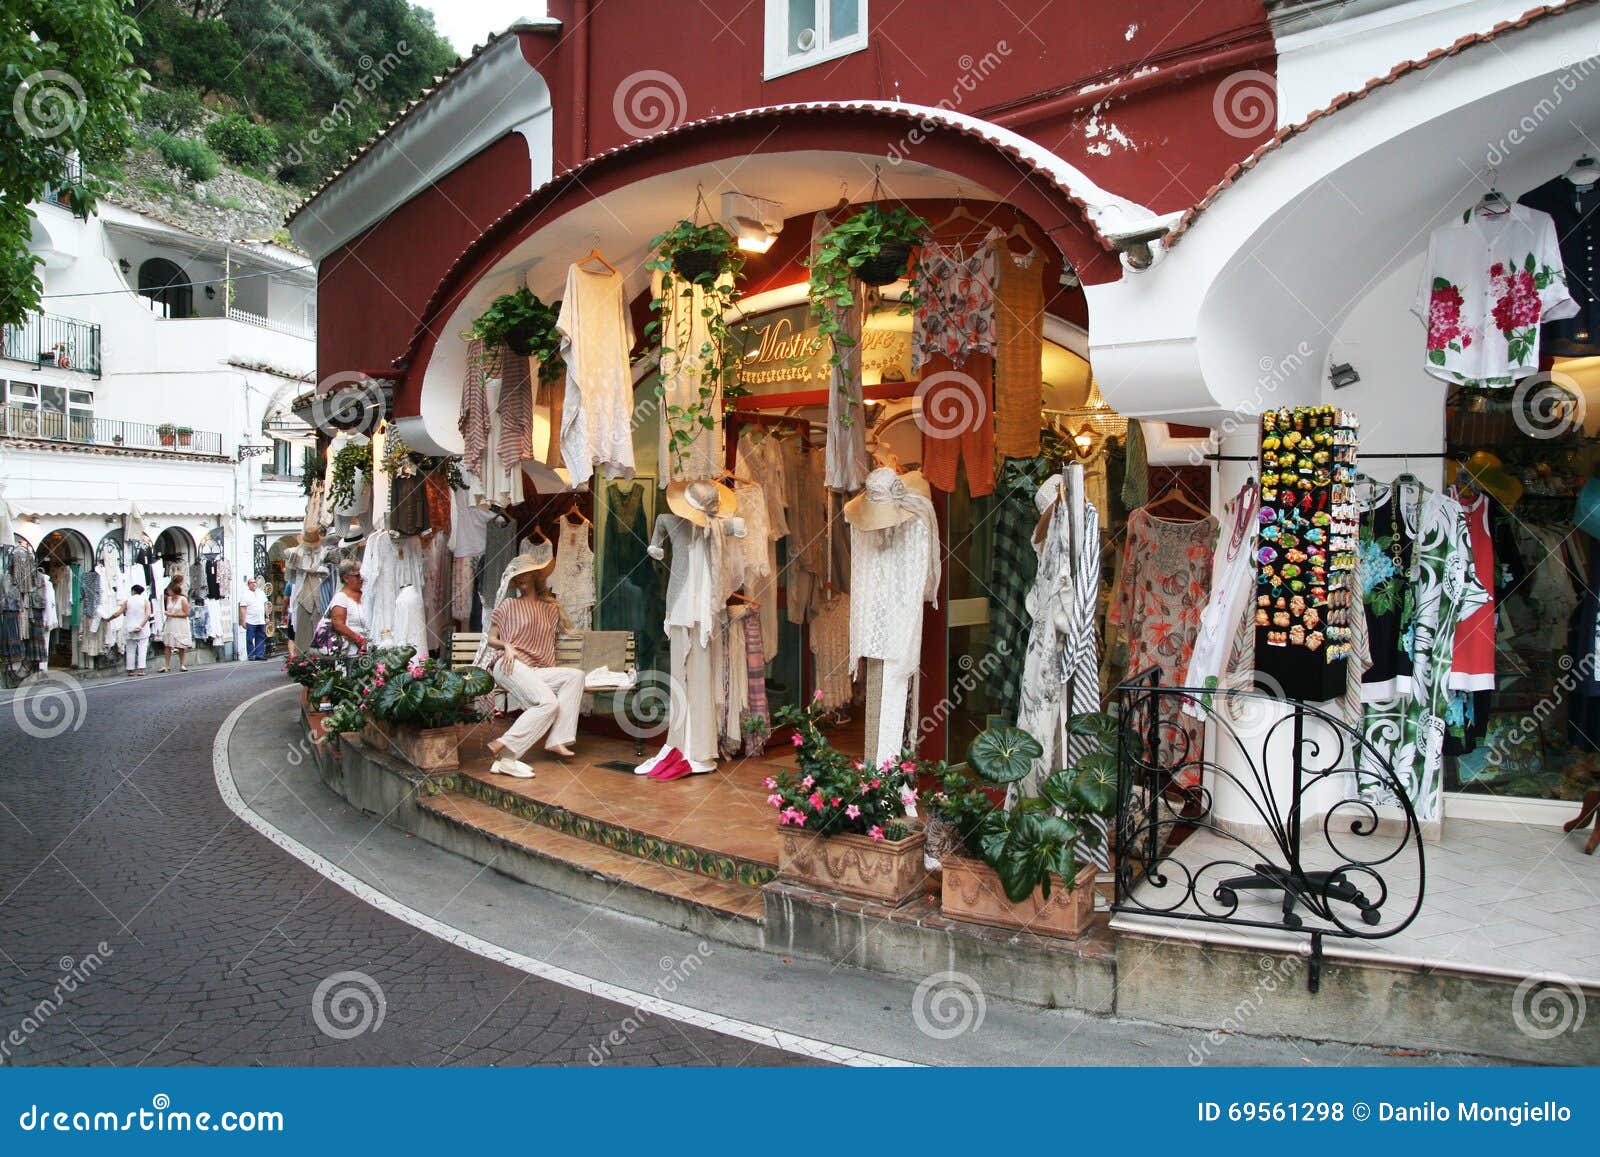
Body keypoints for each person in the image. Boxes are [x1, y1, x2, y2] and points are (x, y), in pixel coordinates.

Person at [482, 553, 584, 778]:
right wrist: (506, 645)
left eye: (526, 574)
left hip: (536, 670)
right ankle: (504, 744)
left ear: (537, 577)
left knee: (575, 676)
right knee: (547, 703)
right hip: (509, 664)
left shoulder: (551, 609)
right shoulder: (508, 605)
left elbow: (571, 633)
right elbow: (491, 638)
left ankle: (548, 742)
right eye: (517, 576)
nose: (521, 579)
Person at [318, 559, 367, 655]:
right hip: (350, 651)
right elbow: (338, 625)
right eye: (357, 576)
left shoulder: (364, 595)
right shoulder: (340, 597)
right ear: (346, 578)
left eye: (362, 574)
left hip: (365, 649)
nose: (361, 578)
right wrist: (360, 640)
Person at [109, 583, 154, 676]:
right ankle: (141, 669)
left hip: (130, 627)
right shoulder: (145, 601)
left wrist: (108, 619)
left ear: (133, 591)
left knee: (130, 649)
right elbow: (148, 615)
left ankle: (130, 670)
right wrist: (141, 626)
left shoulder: (127, 601)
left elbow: (118, 613)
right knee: (142, 648)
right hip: (143, 628)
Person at [160, 576, 193, 673]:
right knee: (168, 644)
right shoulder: (169, 599)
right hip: (170, 623)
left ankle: (182, 664)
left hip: (180, 623)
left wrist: (173, 614)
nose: (168, 593)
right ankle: (167, 665)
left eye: (170, 591)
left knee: (180, 645)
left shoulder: (183, 599)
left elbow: (186, 613)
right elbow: (168, 609)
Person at [239, 576, 268, 660]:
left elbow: (265, 605)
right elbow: (243, 608)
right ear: (248, 585)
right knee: (249, 638)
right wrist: (243, 620)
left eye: (254, 582)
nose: (253, 584)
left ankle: (259, 654)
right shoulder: (245, 594)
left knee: (261, 637)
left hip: (260, 619)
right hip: (250, 620)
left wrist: (267, 616)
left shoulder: (261, 593)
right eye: (251, 583)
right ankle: (251, 655)